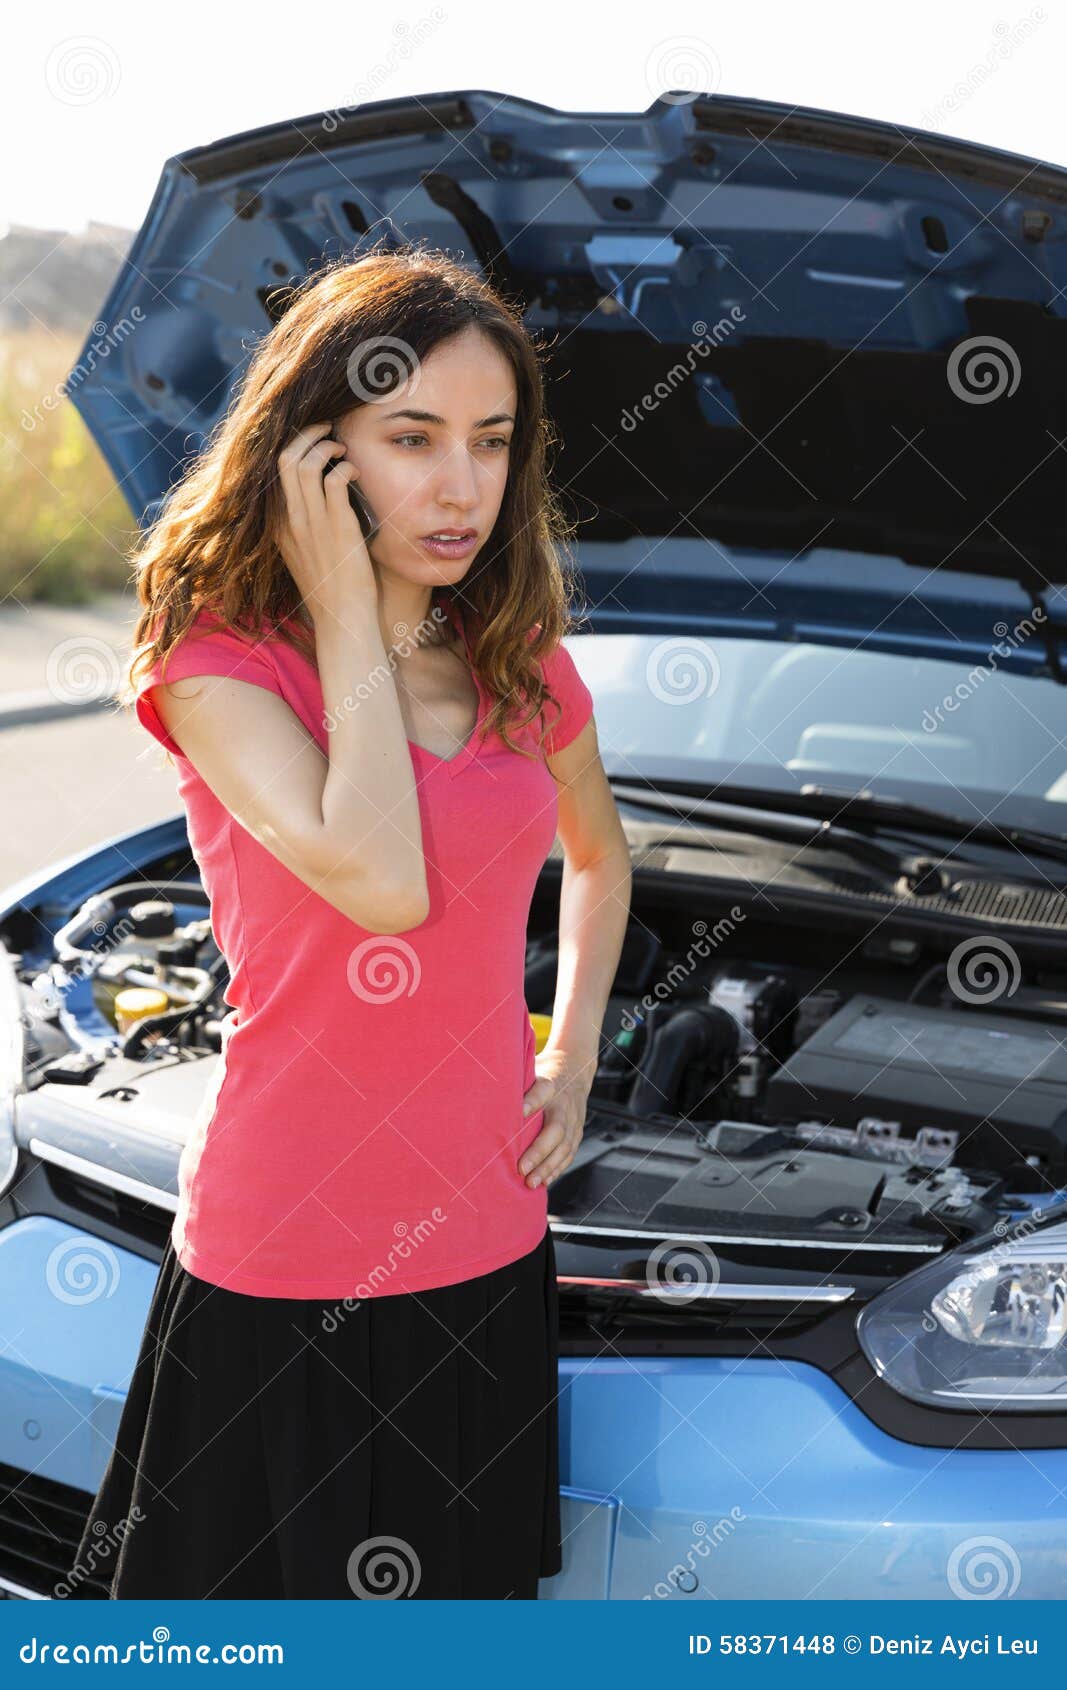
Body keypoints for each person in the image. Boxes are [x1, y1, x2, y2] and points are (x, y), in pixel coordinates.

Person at [64, 242, 632, 1601]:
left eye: (492, 441)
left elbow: (602, 856)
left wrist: (572, 1056)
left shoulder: (516, 661)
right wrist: (339, 610)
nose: (462, 486)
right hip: (287, 1254)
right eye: (412, 438)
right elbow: (385, 881)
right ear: (316, 456)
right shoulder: (216, 669)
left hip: (488, 1237)